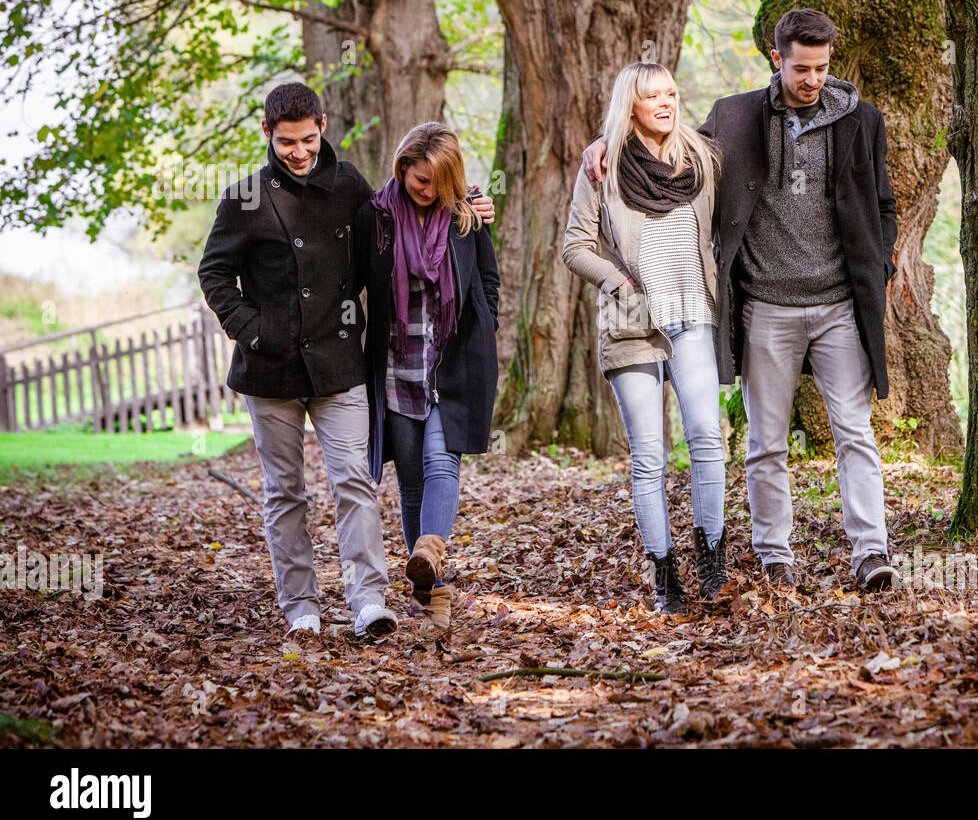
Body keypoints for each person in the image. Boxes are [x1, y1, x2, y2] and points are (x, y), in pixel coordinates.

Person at [584, 9, 898, 593]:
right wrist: (606, 140)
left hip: (838, 306)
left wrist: (881, 264)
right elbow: (669, 148)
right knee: (765, 440)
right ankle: (774, 554)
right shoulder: (733, 117)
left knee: (854, 431)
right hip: (767, 305)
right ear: (776, 59)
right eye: (801, 68)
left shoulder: (862, 121)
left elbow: (883, 205)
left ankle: (871, 552)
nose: (813, 80)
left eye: (823, 68)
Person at [198, 84, 495, 640]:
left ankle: (367, 599)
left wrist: (471, 203)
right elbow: (214, 274)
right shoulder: (244, 198)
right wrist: (253, 332)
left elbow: (402, 221)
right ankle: (301, 605)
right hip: (270, 373)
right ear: (268, 134)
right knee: (285, 492)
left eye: (308, 138)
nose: (299, 151)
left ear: (323, 126)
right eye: (287, 141)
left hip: (339, 366)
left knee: (355, 482)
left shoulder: (350, 186)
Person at [563, 61, 731, 614]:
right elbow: (575, 246)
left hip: (693, 316)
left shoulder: (701, 157)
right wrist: (619, 281)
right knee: (649, 456)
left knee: (707, 435)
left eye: (671, 93)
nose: (665, 103)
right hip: (632, 320)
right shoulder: (603, 167)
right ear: (629, 105)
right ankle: (665, 575)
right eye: (651, 96)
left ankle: (711, 558)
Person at [353, 123, 499, 631]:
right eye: (419, 180)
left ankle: (430, 553)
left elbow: (488, 283)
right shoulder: (377, 218)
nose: (428, 191)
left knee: (443, 464)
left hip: (451, 363)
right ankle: (432, 592)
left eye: (438, 182)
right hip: (396, 364)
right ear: (402, 169)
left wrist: (484, 333)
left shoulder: (466, 217)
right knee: (411, 481)